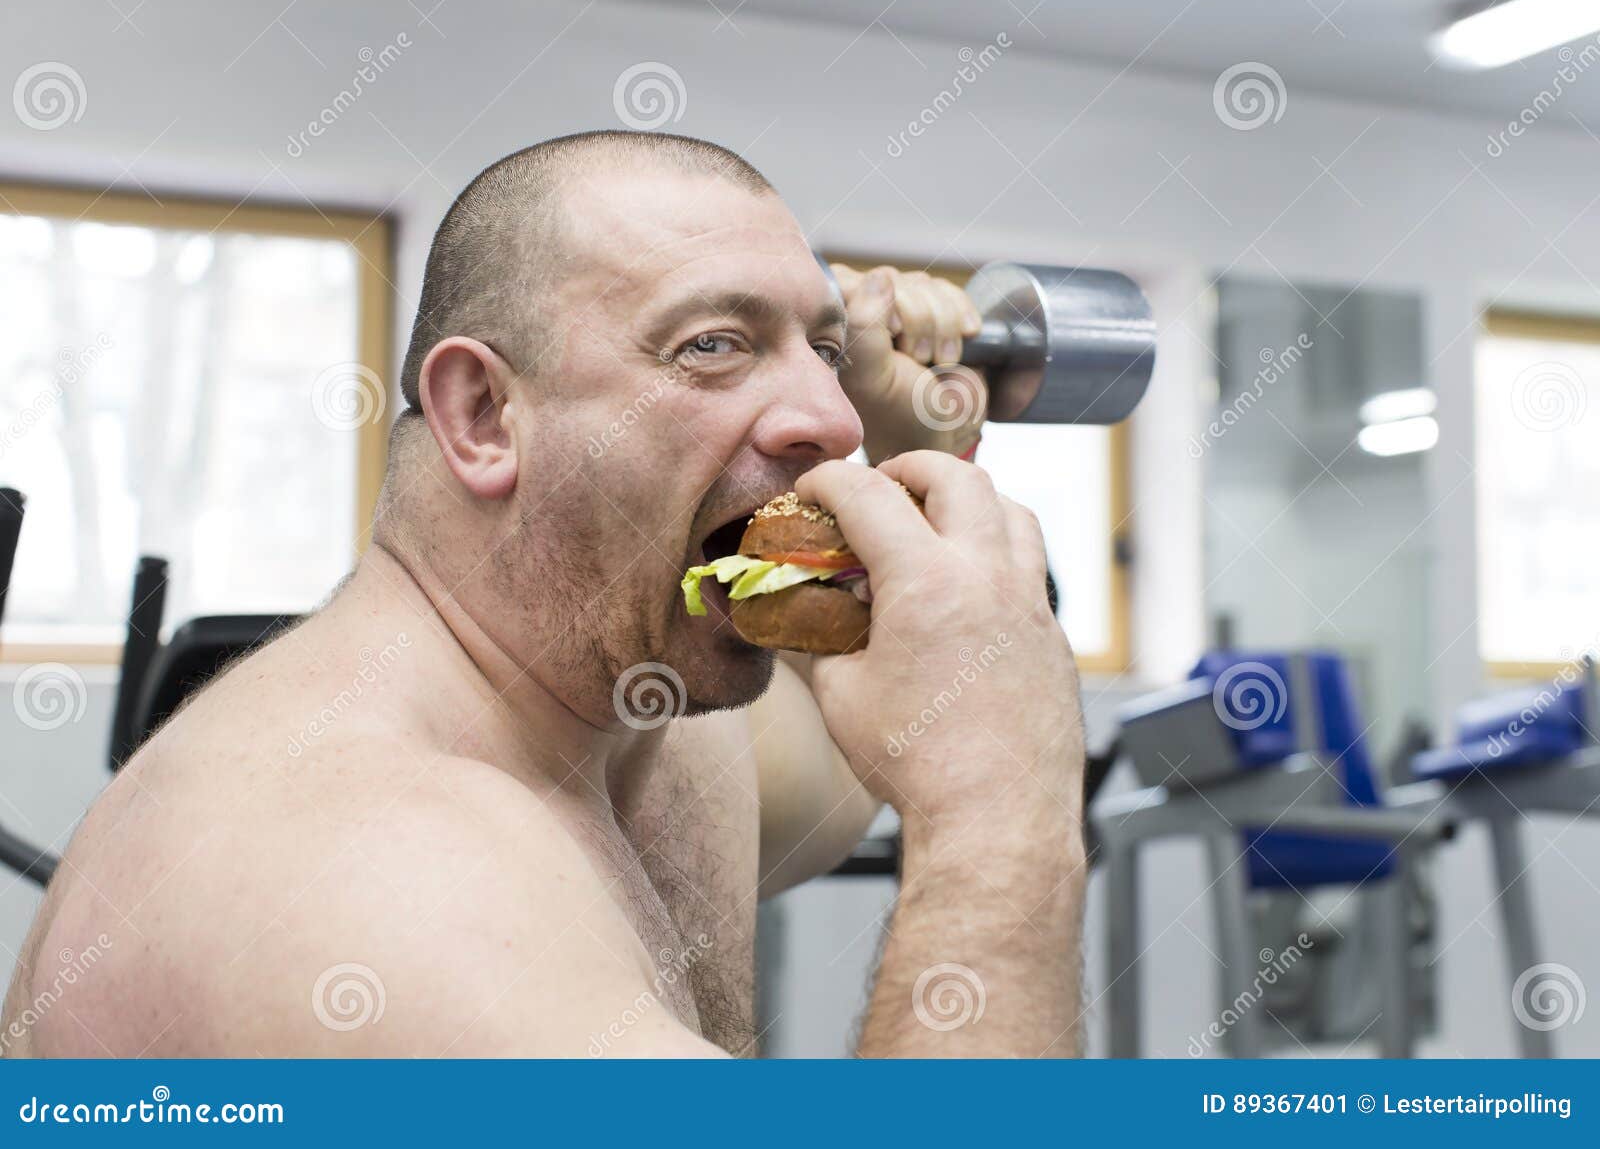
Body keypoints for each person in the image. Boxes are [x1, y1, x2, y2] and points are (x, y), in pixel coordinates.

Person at [1, 131, 1086, 1057]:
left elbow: (829, 791)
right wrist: (1000, 814)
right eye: (713, 345)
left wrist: (903, 462)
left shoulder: (629, 721)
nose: (833, 419)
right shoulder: (380, 881)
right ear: (481, 414)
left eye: (827, 352)